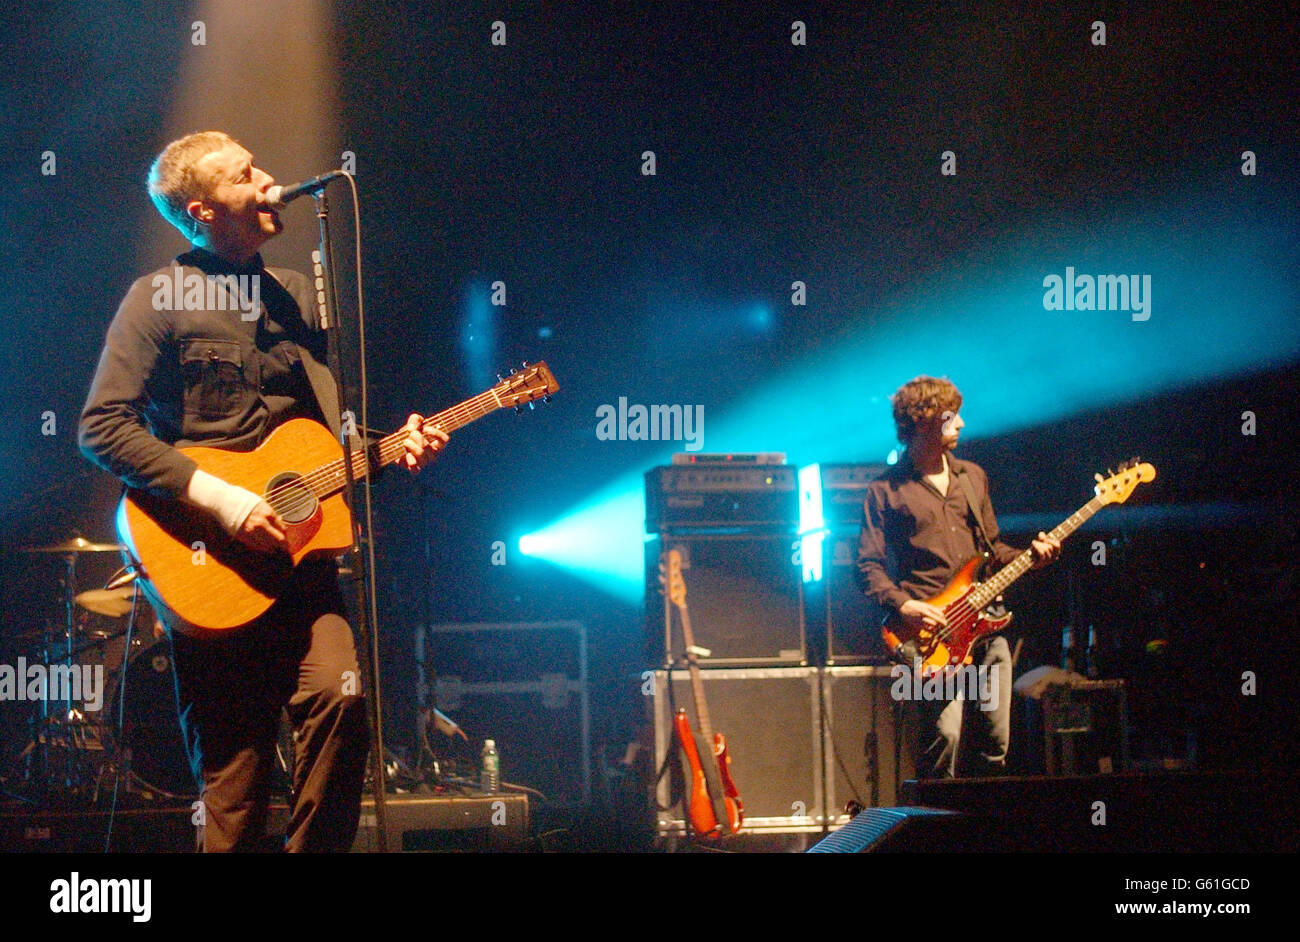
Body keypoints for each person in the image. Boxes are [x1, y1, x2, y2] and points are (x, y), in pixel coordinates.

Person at [78, 131, 448, 851]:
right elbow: (101, 428)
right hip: (206, 565)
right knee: (236, 786)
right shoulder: (157, 298)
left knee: (345, 709)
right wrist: (224, 499)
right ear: (204, 210)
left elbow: (313, 437)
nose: (269, 180)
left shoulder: (295, 293)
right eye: (245, 175)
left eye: (259, 164)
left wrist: (390, 447)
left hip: (304, 564)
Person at [856, 376, 1059, 778]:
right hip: (934, 636)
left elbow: (993, 549)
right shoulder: (886, 490)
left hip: (987, 627)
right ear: (921, 421)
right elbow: (867, 566)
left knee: (996, 745)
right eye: (951, 416)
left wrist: (1030, 558)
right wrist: (905, 605)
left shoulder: (973, 477)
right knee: (943, 742)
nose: (962, 424)